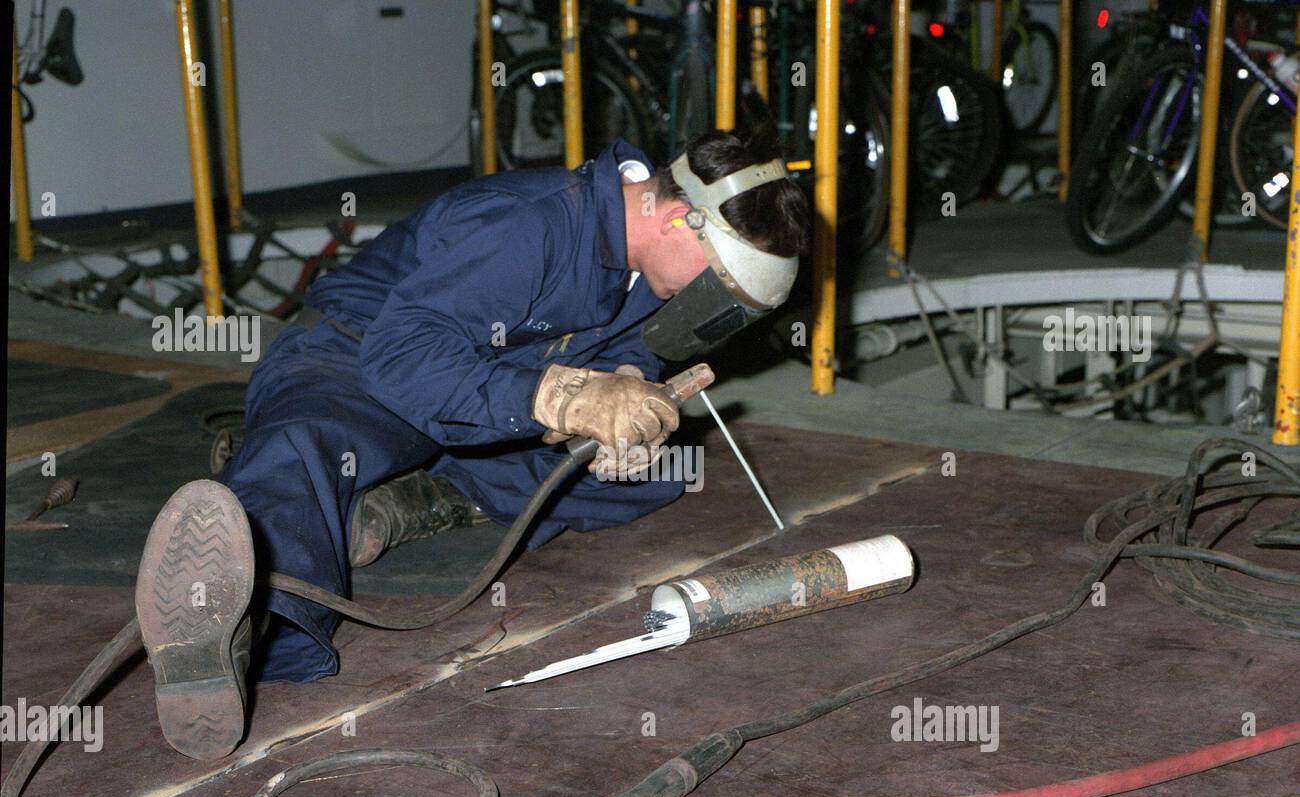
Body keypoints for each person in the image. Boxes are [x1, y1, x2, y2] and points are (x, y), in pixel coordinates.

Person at [134, 129, 810, 760]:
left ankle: (422, 493)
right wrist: (564, 398)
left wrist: (627, 395)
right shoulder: (534, 222)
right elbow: (405, 358)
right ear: (675, 219)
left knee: (649, 472)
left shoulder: (647, 257)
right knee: (306, 451)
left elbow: (623, 346)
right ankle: (224, 634)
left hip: (490, 393)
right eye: (714, 283)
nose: (708, 308)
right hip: (362, 360)